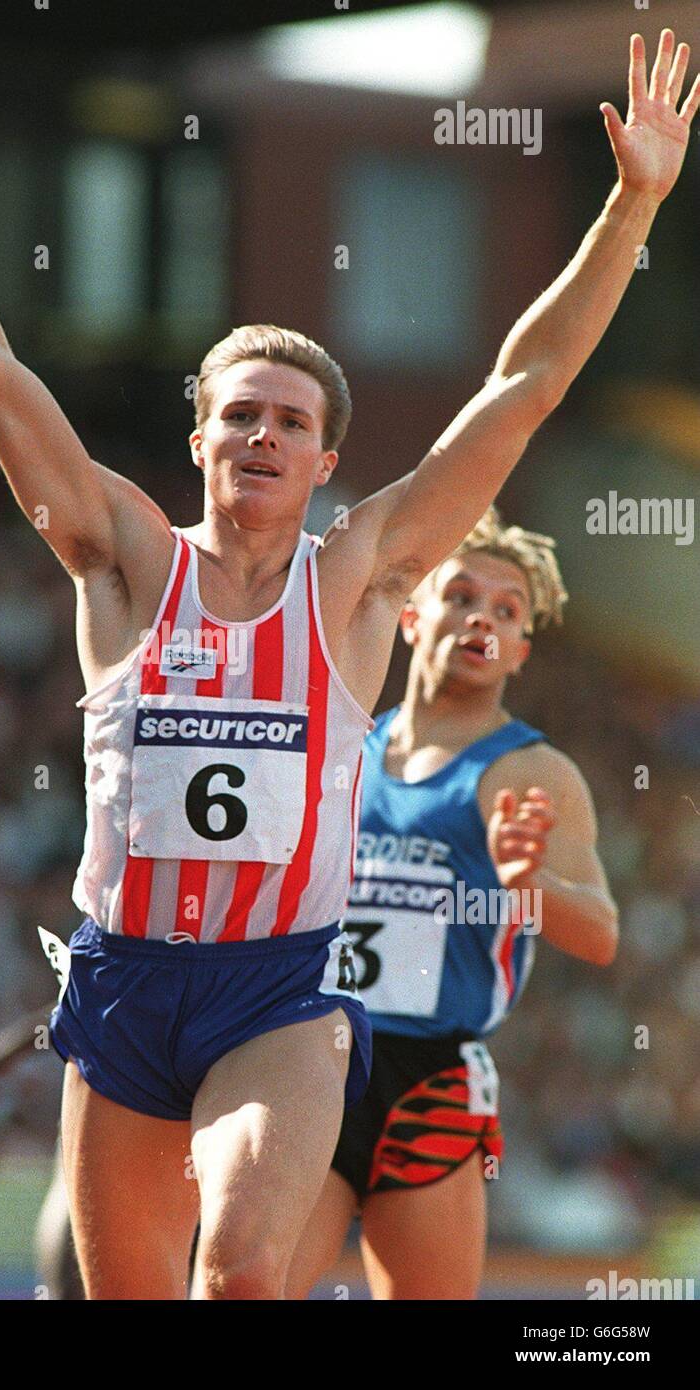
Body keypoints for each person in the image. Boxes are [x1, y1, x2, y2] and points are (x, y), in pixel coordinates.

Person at [0, 23, 699, 1299]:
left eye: (293, 421)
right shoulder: (124, 561)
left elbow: (522, 385)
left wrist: (634, 197)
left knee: (247, 1271)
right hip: (122, 977)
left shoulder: (358, 579)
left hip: (279, 988)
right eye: (241, 414)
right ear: (199, 437)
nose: (264, 434)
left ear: (325, 463)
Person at [285, 509, 619, 1299]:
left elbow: (600, 933)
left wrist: (526, 886)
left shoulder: (530, 774)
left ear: (521, 650)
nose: (482, 619)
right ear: (409, 617)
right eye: (462, 595)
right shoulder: (340, 743)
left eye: (507, 611)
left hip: (428, 1084)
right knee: (237, 1283)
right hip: (304, 1058)